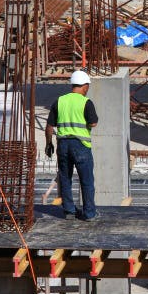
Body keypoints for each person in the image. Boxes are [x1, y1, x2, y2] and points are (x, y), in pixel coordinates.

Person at [45, 70, 99, 221]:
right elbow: (93, 123)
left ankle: (69, 211)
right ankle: (89, 214)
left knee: (65, 178)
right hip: (80, 145)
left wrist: (49, 144)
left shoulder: (59, 101)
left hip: (63, 145)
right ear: (85, 86)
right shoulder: (86, 102)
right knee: (86, 180)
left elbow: (49, 126)